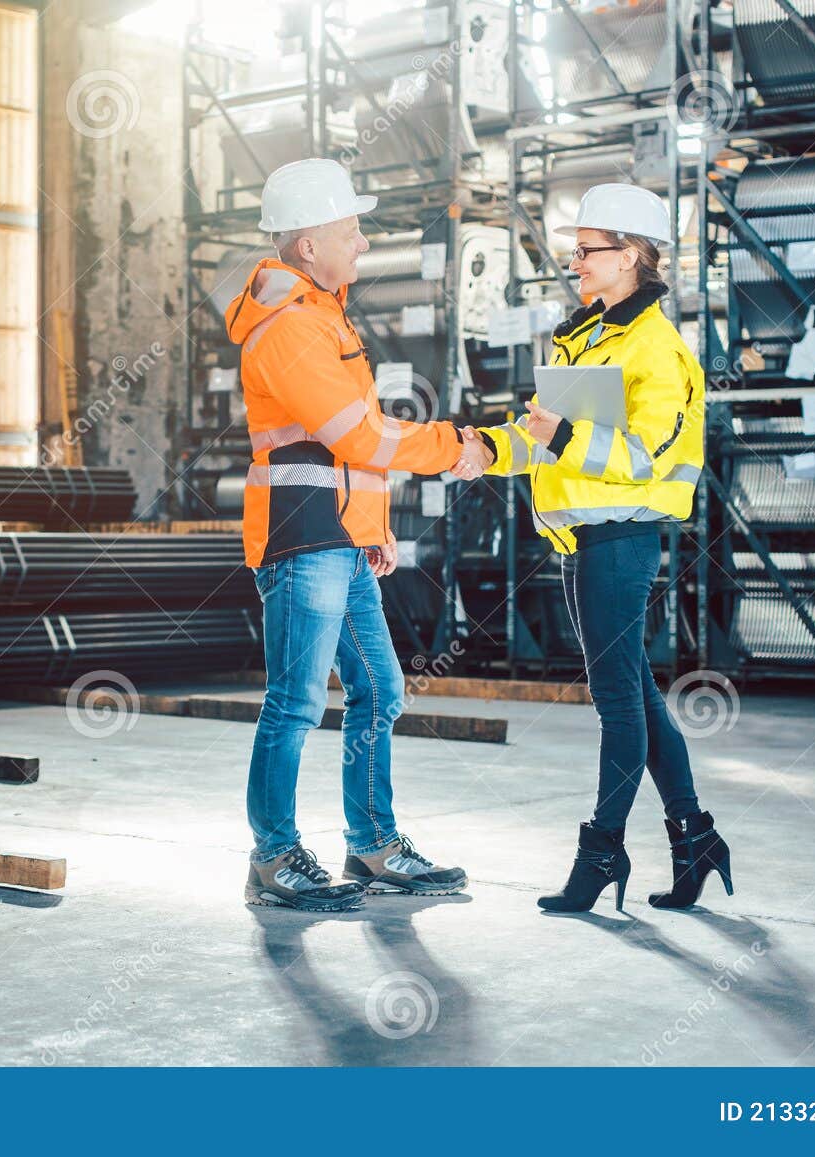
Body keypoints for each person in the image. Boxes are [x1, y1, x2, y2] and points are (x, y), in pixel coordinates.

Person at [226, 158, 490, 912]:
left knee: (378, 689)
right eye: (351, 231)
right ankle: (274, 856)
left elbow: (349, 448)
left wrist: (369, 528)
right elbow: (361, 438)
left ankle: (373, 844)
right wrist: (455, 445)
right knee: (295, 701)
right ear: (309, 245)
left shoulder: (322, 316)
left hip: (338, 539)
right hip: (303, 539)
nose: (364, 243)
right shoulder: (290, 327)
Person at [473, 183, 730, 913]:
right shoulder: (585, 337)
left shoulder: (657, 349)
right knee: (638, 698)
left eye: (588, 250)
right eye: (577, 250)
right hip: (582, 542)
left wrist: (560, 434)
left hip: (621, 542)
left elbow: (644, 455)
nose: (576, 262)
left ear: (632, 255)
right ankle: (696, 838)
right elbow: (547, 440)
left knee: (617, 704)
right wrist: (485, 449)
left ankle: (601, 852)